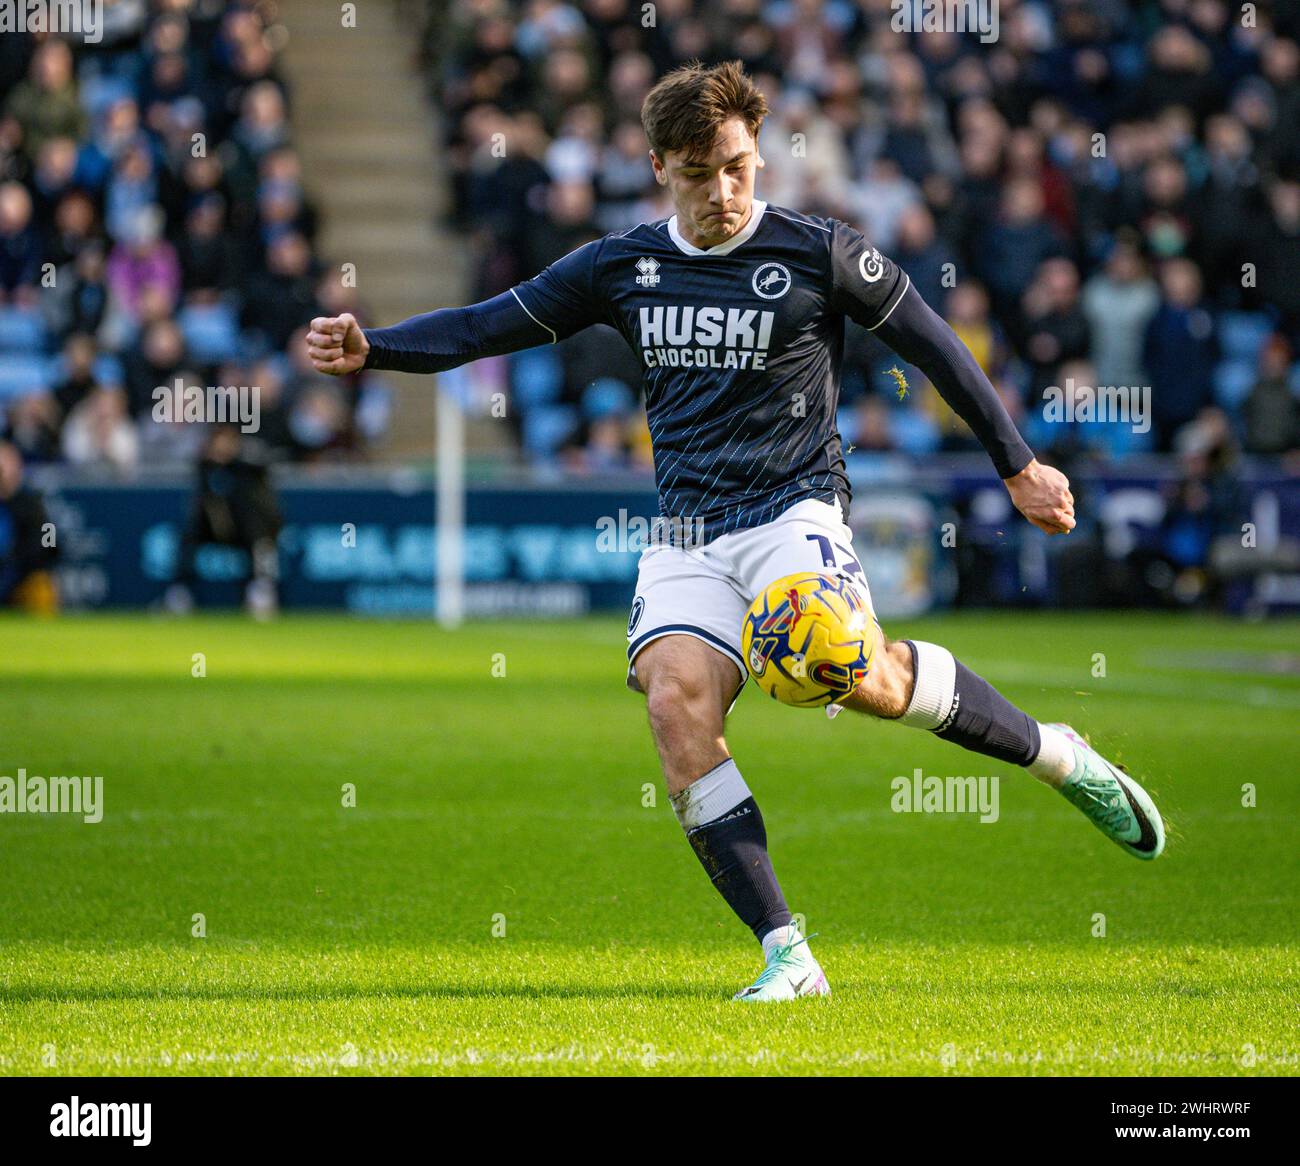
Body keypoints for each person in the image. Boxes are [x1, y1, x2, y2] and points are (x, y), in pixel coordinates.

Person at [306, 61, 1165, 1003]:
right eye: (698, 172)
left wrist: (1018, 463)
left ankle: (1058, 756)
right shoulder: (618, 265)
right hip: (685, 533)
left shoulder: (818, 251)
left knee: (852, 674)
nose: (722, 192)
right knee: (676, 707)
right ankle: (786, 953)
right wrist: (376, 347)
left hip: (795, 509)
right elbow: (485, 327)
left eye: (739, 168)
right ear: (658, 167)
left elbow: (933, 344)